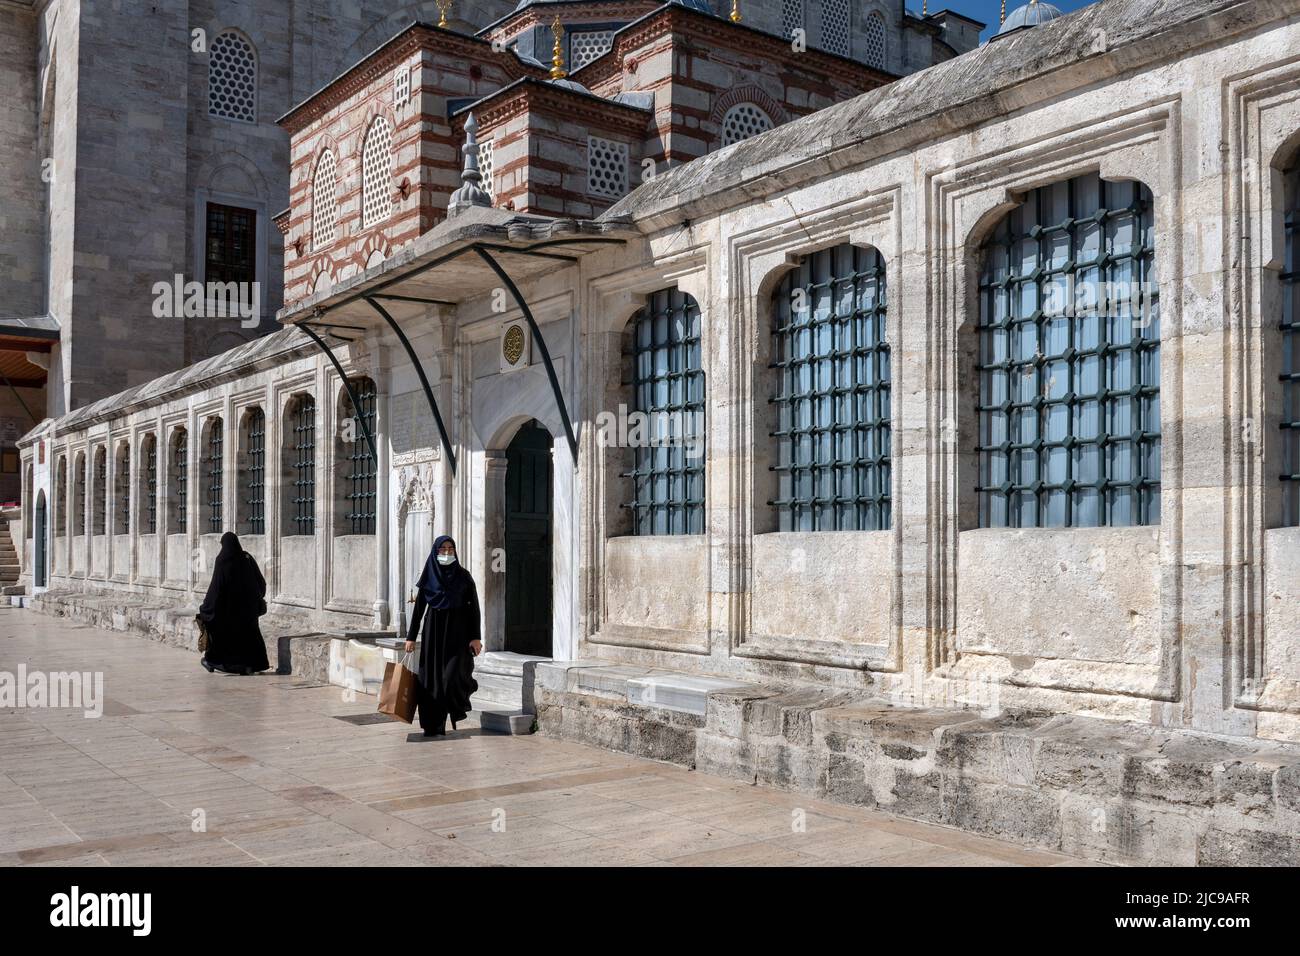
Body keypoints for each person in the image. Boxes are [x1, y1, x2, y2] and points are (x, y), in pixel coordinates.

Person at [404, 535, 482, 737]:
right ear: (435, 551)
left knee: (452, 677)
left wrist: (476, 637)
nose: (447, 552)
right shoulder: (429, 577)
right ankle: (433, 725)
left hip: (458, 633)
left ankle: (453, 710)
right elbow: (419, 609)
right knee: (431, 681)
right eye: (443, 549)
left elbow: (474, 608)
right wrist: (411, 638)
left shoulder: (464, 577)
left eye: (450, 549)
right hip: (433, 633)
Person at [197, 531, 270, 675]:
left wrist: (206, 608)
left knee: (223, 638)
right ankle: (250, 666)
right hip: (248, 610)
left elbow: (216, 588)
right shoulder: (247, 558)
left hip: (228, 612)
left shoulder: (223, 560)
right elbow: (261, 583)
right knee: (249, 637)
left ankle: (211, 662)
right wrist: (255, 600)